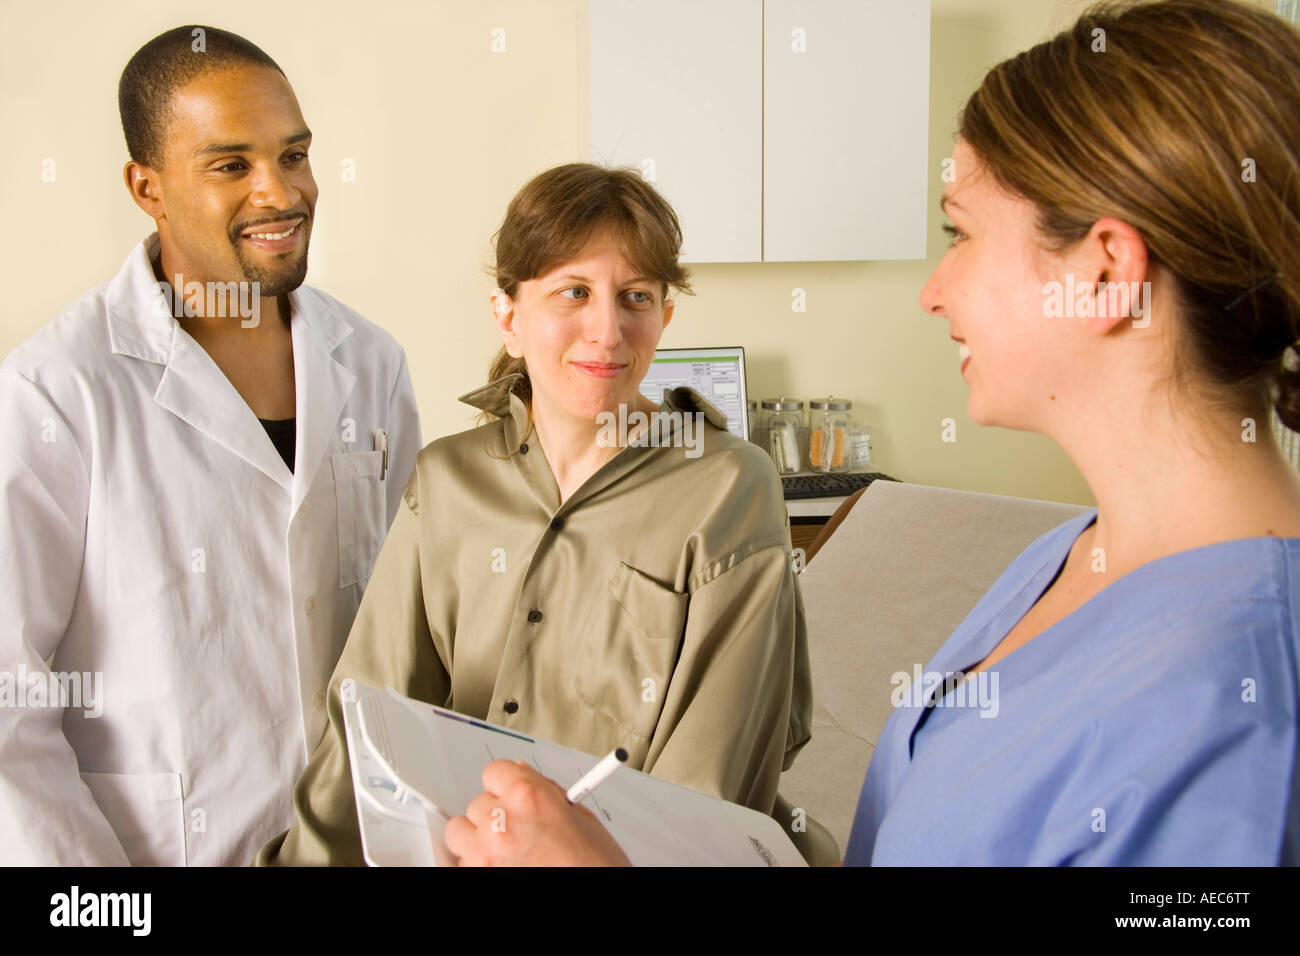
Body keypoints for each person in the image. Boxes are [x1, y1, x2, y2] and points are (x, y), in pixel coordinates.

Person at [440, 0, 1300, 866]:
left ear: (1105, 272)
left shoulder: (1236, 725)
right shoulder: (1069, 556)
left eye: (959, 233)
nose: (933, 291)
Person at [257, 162, 825, 865]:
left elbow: (710, 786)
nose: (608, 330)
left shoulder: (729, 489)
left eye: (636, 297)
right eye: (574, 292)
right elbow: (369, 714)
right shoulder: (447, 481)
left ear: (665, 317)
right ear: (509, 316)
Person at [0, 26, 421, 865]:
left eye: (293, 155)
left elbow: (413, 629)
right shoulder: (56, 393)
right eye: (231, 165)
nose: (280, 193)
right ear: (146, 187)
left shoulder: (369, 363)